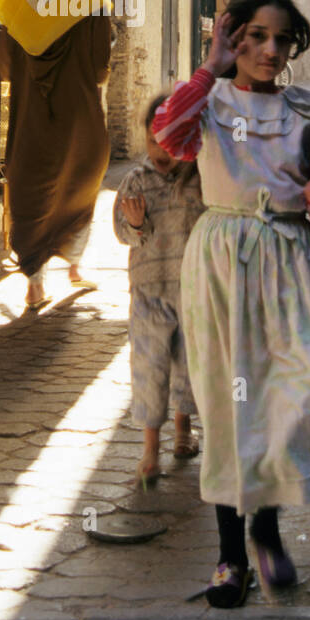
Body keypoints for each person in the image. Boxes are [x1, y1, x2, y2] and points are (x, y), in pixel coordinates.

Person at [152, 0, 310, 607]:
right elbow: (167, 138)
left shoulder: (307, 108)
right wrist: (210, 67)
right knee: (227, 400)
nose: (269, 50)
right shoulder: (207, 103)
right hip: (222, 256)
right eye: (256, 36)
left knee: (300, 386)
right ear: (233, 37)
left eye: (281, 39)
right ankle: (231, 555)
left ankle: (267, 524)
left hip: (289, 257)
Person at [0, 0, 111, 310]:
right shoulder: (89, 0)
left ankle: (34, 280)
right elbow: (99, 69)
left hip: (33, 118)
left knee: (32, 189)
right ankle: (74, 265)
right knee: (80, 185)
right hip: (79, 119)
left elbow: (6, 66)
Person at [113, 95, 205, 488]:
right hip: (150, 292)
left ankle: (183, 431)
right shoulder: (136, 180)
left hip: (195, 293)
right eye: (152, 141)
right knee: (150, 369)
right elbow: (122, 232)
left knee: (189, 368)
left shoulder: (201, 177)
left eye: (169, 140)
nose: (160, 150)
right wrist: (133, 224)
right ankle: (150, 448)